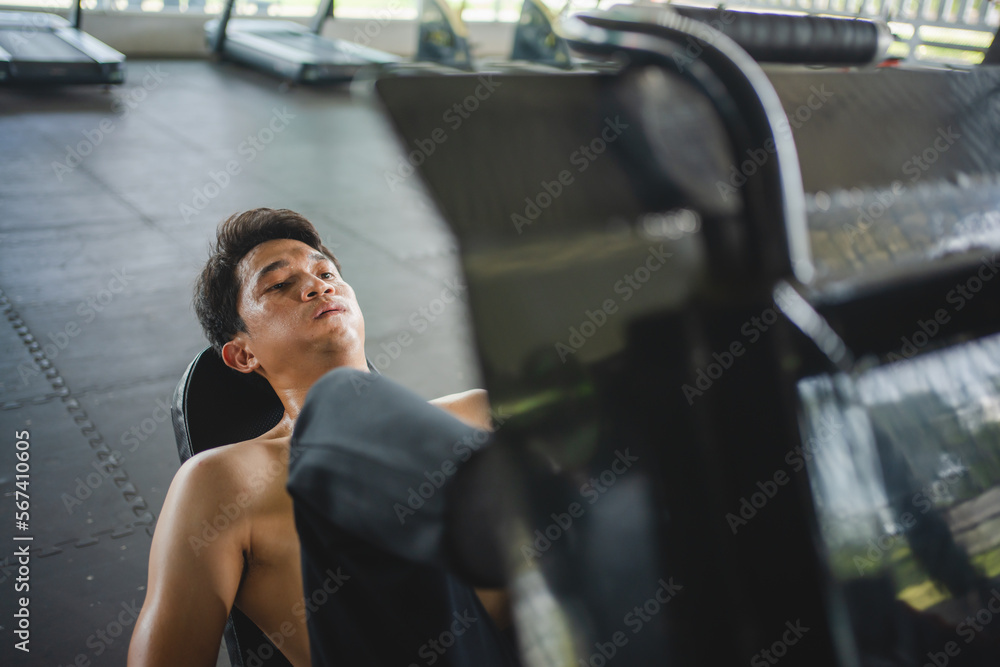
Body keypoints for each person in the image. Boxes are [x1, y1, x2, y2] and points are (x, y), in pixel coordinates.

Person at [128, 208, 516, 667]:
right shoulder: (220, 483)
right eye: (278, 285)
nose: (317, 285)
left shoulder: (478, 413)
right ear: (242, 353)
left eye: (325, 272)